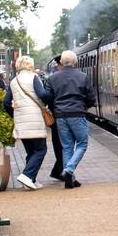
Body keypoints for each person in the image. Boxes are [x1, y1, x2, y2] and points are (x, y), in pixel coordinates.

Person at [46, 50, 95, 188]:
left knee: (66, 147)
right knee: (82, 143)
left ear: (61, 62)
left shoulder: (52, 78)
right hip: (77, 113)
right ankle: (68, 170)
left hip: (60, 116)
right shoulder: (83, 76)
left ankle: (70, 180)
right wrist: (86, 107)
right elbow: (91, 97)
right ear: (75, 62)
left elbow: (48, 97)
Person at [4, 55, 53, 190]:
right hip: (35, 119)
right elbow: (42, 95)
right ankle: (26, 175)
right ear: (30, 66)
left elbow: (6, 103)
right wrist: (51, 96)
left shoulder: (14, 81)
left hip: (21, 121)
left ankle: (31, 180)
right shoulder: (33, 78)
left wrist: (15, 115)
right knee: (41, 149)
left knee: (31, 152)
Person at [44, 54, 65, 180]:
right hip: (59, 115)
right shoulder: (53, 78)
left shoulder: (52, 78)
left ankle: (57, 170)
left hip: (57, 114)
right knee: (61, 144)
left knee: (60, 144)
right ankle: (59, 170)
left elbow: (48, 96)